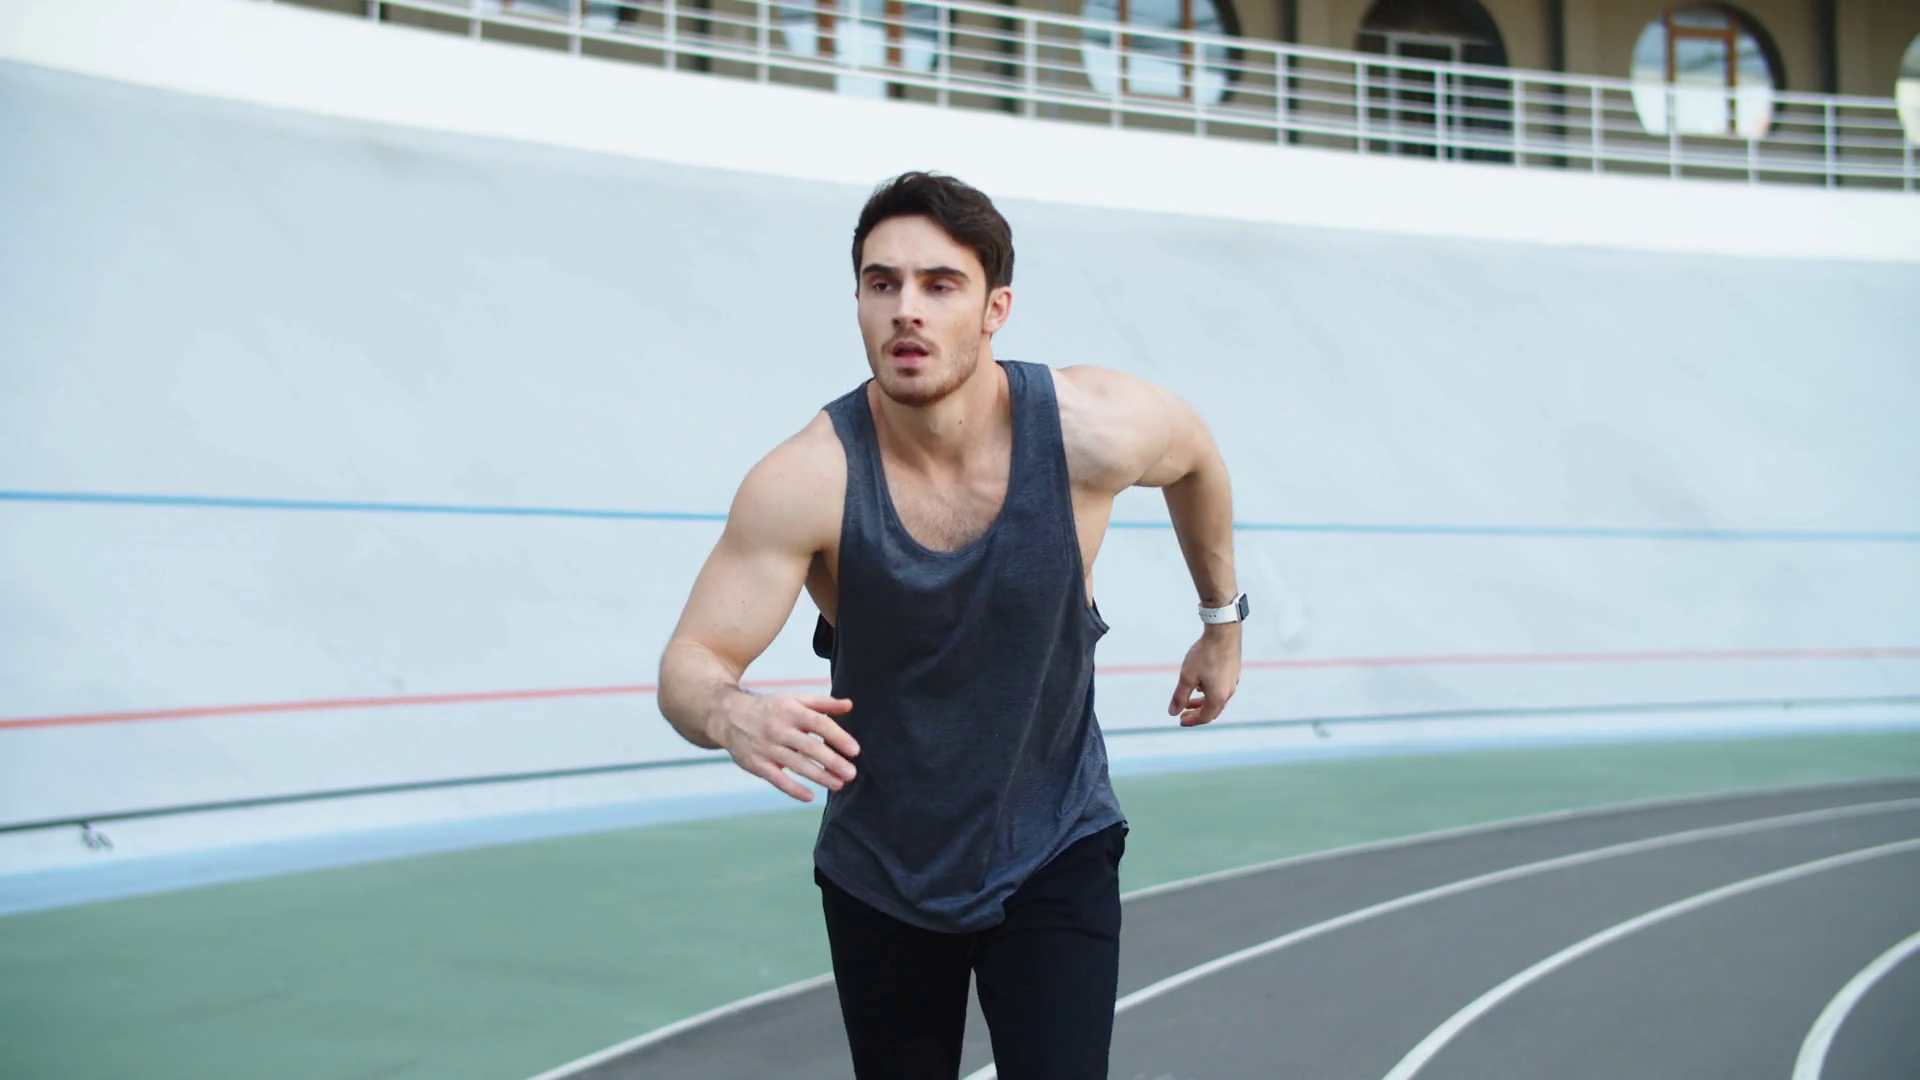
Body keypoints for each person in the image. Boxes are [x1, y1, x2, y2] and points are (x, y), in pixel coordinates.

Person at [656, 171, 1246, 1079]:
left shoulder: (1090, 430)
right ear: (856, 298)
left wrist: (1221, 620)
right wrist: (733, 713)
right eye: (882, 283)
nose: (907, 311)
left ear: (995, 306)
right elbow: (692, 661)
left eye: (940, 285)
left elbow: (1197, 458)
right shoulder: (808, 481)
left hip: (1055, 840)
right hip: (883, 869)